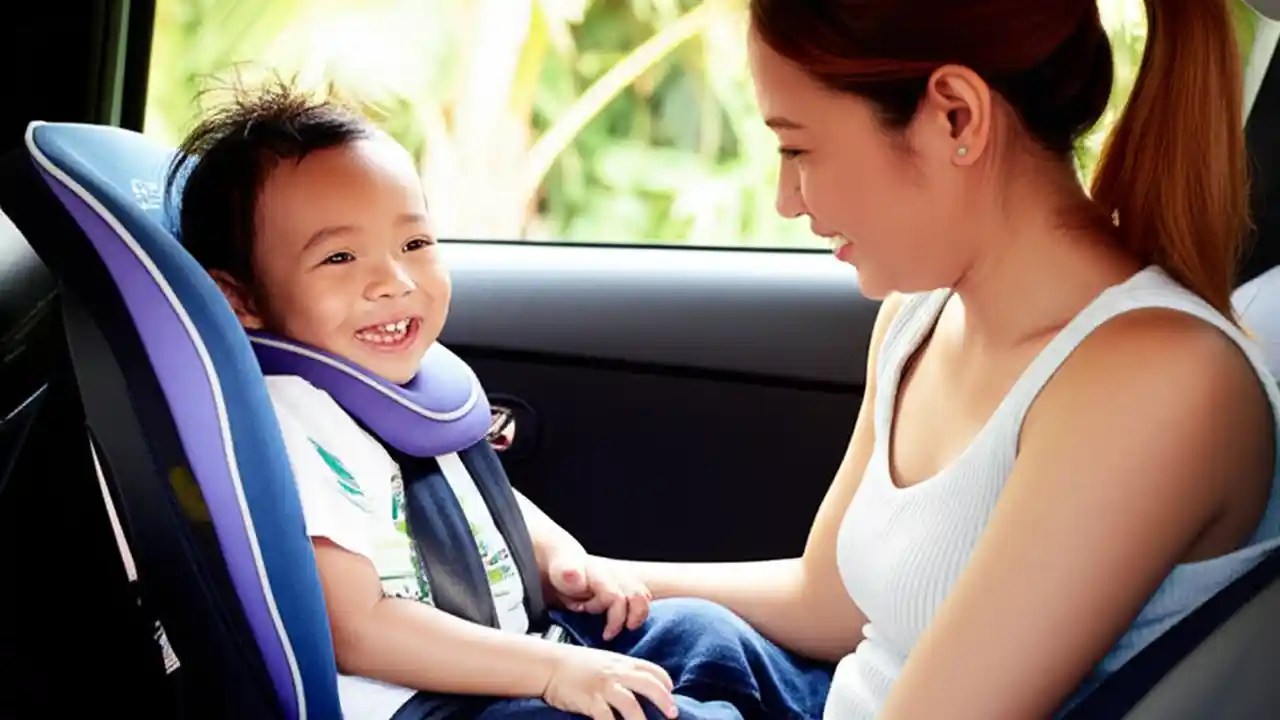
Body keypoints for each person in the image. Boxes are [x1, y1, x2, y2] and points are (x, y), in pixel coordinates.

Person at [606, 1, 1280, 718]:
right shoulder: (919, 315)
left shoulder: (1156, 383)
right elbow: (829, 601)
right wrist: (586, 576)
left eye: (797, 149)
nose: (783, 200)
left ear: (955, 117)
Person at [165, 82, 833, 720]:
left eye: (414, 243)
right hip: (431, 702)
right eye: (340, 258)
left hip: (514, 655)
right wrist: (550, 672)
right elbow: (358, 627)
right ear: (241, 300)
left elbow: (478, 497)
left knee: (701, 630)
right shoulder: (289, 424)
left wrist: (561, 558)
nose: (393, 281)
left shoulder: (398, 388)